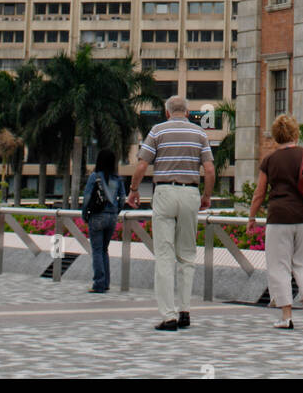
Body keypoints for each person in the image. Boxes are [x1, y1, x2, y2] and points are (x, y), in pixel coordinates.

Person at [127, 95, 215, 331]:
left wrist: (134, 190)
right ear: (187, 112)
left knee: (165, 256)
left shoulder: (157, 131)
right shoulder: (200, 133)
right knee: (187, 255)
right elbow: (209, 169)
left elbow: (142, 165)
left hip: (165, 191)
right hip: (190, 192)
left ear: (167, 113)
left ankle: (168, 316)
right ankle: (185, 310)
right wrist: (206, 196)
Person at [247, 113, 303, 330]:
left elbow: (259, 193)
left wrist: (252, 217)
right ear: (296, 133)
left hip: (279, 218)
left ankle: (286, 316)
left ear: (276, 136)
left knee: (279, 265)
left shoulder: (270, 160)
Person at [81, 148, 127, 294]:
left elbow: (87, 197)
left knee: (97, 250)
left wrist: (84, 214)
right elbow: (122, 199)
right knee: (104, 249)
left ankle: (99, 284)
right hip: (112, 217)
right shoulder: (117, 179)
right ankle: (106, 282)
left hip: (97, 216)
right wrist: (115, 211)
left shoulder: (94, 177)